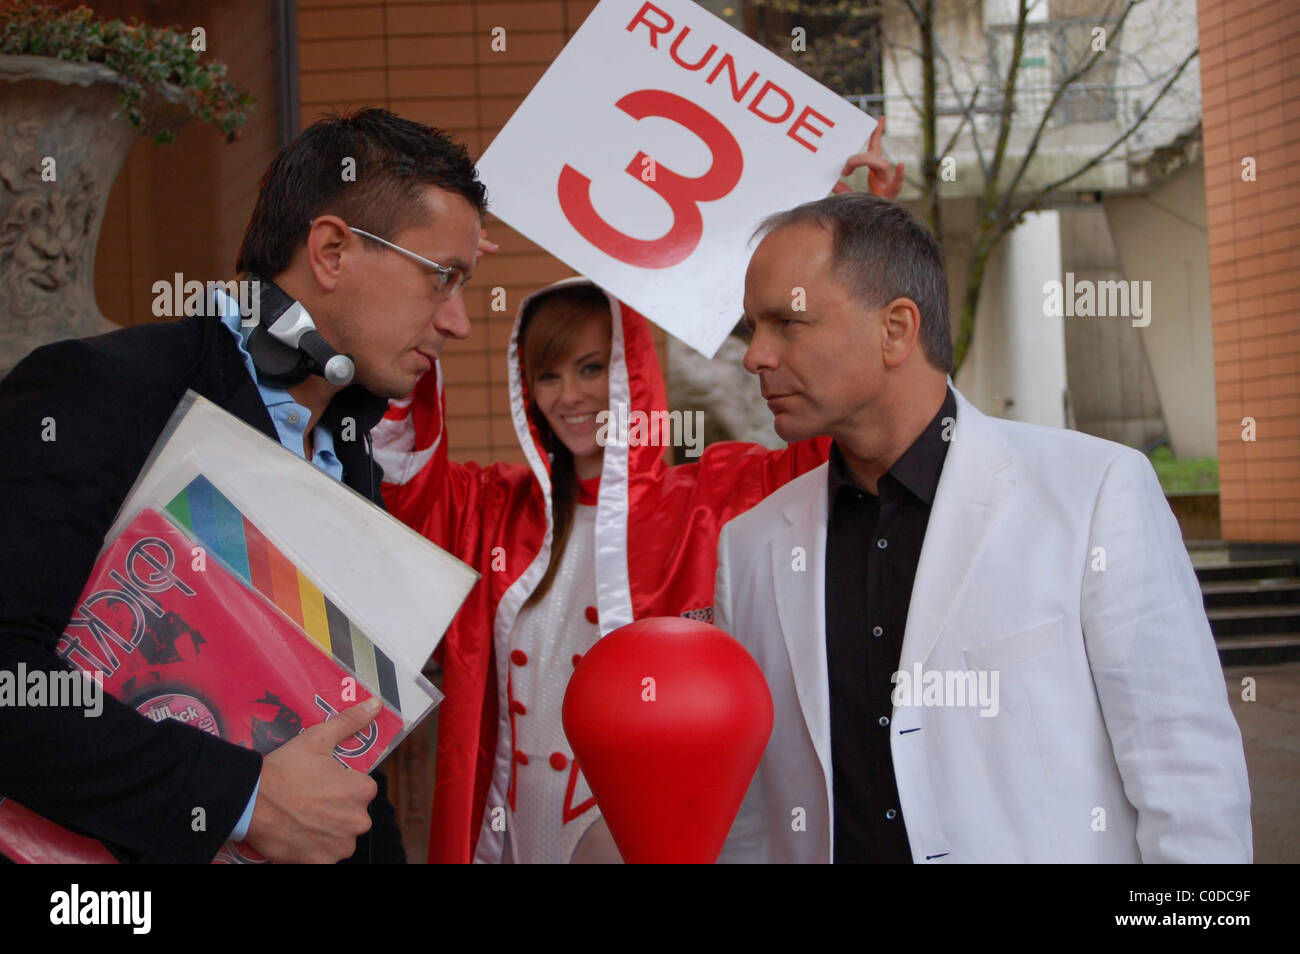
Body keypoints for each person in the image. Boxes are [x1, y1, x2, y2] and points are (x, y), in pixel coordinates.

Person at [373, 124, 905, 864]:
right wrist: (426, 284)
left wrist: (849, 242)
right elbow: (401, 478)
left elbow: (845, 436)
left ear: (631, 371)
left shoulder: (716, 496)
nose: (570, 397)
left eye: (592, 369)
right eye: (548, 375)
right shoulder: (492, 508)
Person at [0, 107, 484, 864]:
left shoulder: (350, 451)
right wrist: (242, 799)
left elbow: (342, 760)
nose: (458, 320)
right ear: (330, 251)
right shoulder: (103, 387)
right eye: (442, 278)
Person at [713, 193, 1253, 863]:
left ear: (896, 329)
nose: (754, 356)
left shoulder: (1094, 493)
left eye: (786, 324)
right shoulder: (750, 546)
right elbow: (754, 813)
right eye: (751, 327)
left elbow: (1188, 774)